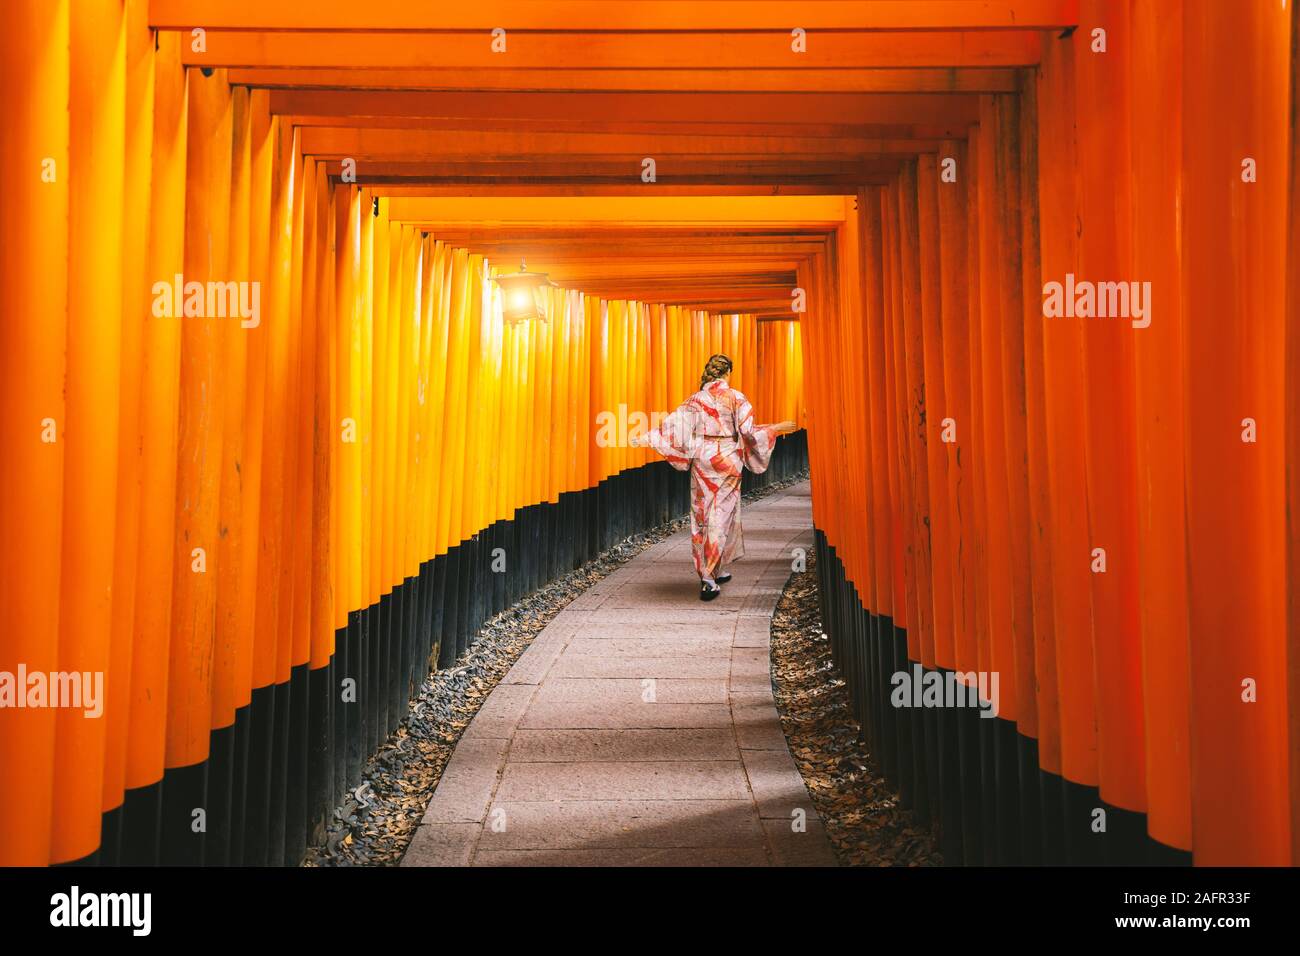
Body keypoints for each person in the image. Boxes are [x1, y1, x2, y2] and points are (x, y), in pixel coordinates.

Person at [631, 353, 798, 600]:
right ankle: (709, 576)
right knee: (723, 513)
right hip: (728, 460)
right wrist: (775, 428)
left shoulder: (696, 400)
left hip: (703, 459)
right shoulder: (736, 398)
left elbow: (673, 427)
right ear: (728, 373)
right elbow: (748, 432)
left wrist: (647, 437)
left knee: (703, 514)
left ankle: (711, 570)